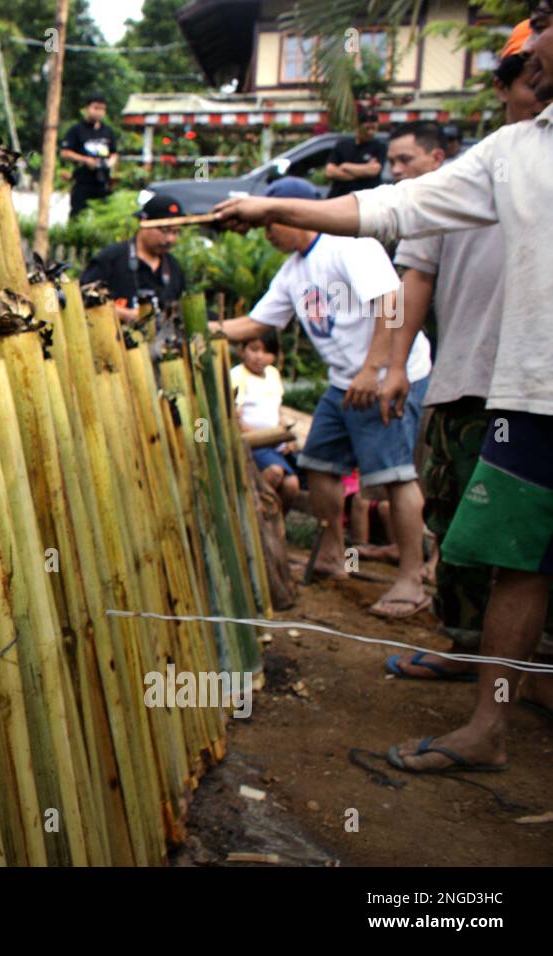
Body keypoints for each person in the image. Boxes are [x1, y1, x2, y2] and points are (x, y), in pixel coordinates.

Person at [212, 3, 553, 773]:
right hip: (518, 388)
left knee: (408, 484)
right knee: (513, 555)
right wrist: (273, 202)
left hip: (423, 375)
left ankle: (414, 583)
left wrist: (384, 364)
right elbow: (394, 224)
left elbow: (390, 282)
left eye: (538, 40)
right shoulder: (509, 155)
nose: (526, 63)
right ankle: (489, 711)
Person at [381, 34, 553, 682]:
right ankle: (466, 650)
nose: (530, 76)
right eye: (516, 70)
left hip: (538, 383)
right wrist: (396, 365)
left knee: (528, 538)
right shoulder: (461, 179)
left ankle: (526, 674)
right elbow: (412, 282)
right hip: (466, 377)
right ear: (502, 87)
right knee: (457, 518)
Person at [210, 176, 432, 619]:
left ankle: (412, 578)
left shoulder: (349, 243)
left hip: (388, 372)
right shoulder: (293, 270)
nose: (268, 231)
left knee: (395, 476)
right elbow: (256, 324)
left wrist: (375, 370)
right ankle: (332, 553)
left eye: (272, 220)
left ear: (294, 212)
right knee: (320, 466)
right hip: (343, 380)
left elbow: (391, 301)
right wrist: (200, 330)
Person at [79, 193, 185, 324]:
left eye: (176, 232)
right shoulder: (110, 259)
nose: (170, 239)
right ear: (144, 222)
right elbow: (82, 300)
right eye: (164, 230)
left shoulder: (174, 268)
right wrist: (125, 314)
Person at [231, 329, 300, 511]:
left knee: (292, 484)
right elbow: (234, 420)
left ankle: (276, 525)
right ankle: (253, 514)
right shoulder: (237, 375)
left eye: (266, 351)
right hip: (252, 444)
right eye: (254, 349)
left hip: (274, 445)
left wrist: (284, 436)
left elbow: (278, 413)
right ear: (242, 350)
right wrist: (268, 437)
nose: (259, 356)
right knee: (275, 472)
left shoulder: (273, 374)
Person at [60, 93, 117, 219]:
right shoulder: (76, 130)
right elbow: (64, 153)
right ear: (87, 108)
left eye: (102, 109)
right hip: (82, 181)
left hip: (103, 181)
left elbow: (114, 153)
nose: (99, 112)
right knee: (77, 215)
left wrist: (110, 162)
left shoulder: (108, 131)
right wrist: (85, 160)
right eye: (96, 108)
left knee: (105, 216)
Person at [324, 109, 387, 198]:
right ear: (358, 126)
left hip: (367, 200)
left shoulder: (379, 146)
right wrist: (363, 172)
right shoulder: (342, 146)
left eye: (374, 128)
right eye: (367, 128)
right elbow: (329, 171)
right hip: (340, 197)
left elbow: (374, 170)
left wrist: (346, 166)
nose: (371, 132)